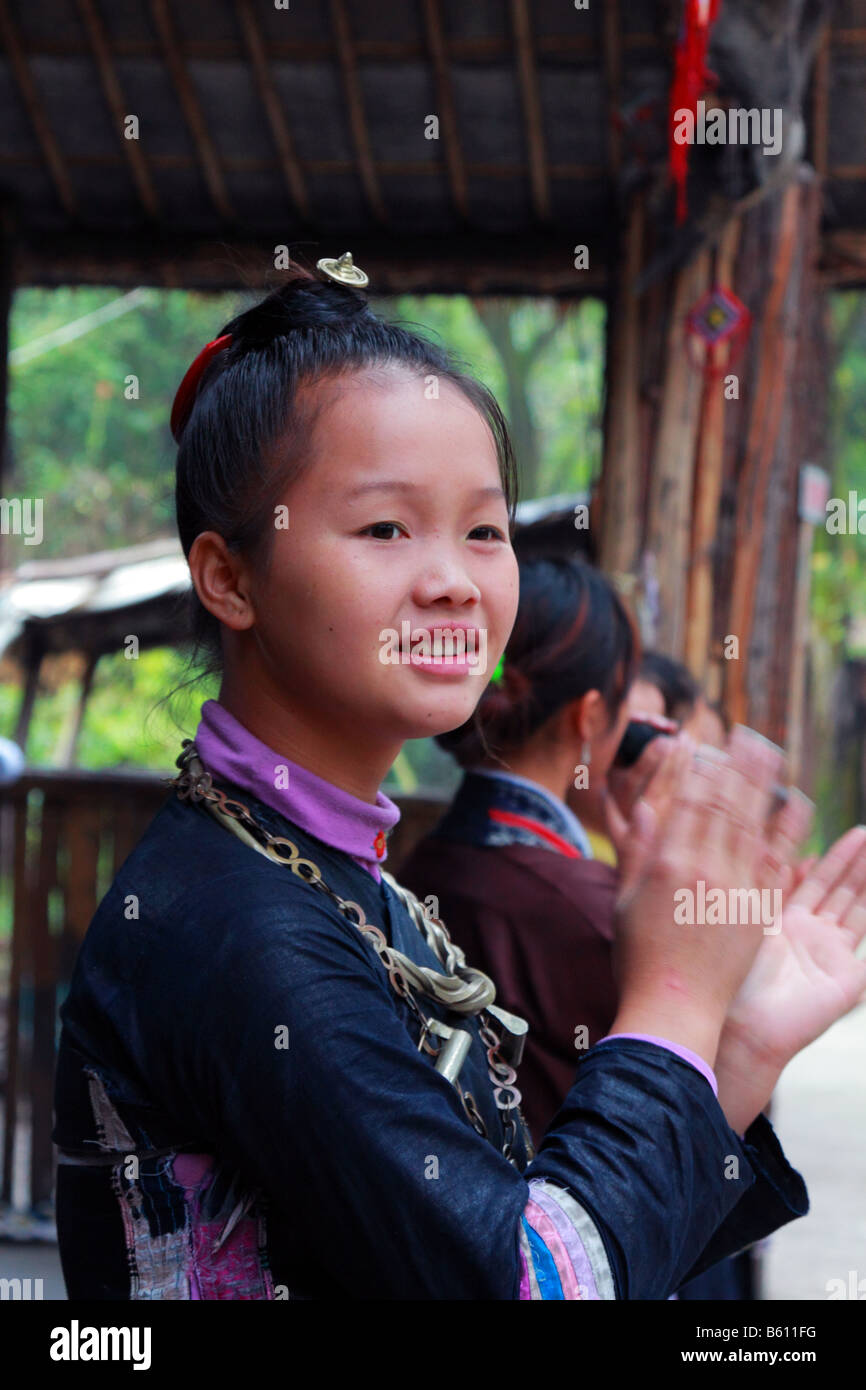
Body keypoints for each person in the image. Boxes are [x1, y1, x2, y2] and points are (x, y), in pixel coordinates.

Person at [52, 259, 866, 1301]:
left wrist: (736, 1044)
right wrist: (667, 997)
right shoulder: (231, 922)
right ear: (230, 576)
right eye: (386, 527)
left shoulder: (346, 878)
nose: (451, 578)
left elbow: (519, 1223)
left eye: (483, 530)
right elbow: (525, 1281)